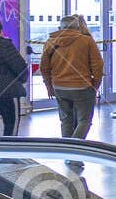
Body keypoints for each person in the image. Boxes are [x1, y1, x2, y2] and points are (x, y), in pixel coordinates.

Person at [41, 14, 103, 156]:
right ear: (78, 27)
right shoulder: (86, 41)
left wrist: (48, 86)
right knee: (84, 121)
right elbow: (97, 65)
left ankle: (67, 152)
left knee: (66, 121)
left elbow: (44, 66)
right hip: (82, 87)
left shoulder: (50, 41)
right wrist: (95, 85)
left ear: (60, 28)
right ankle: (74, 152)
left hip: (59, 87)